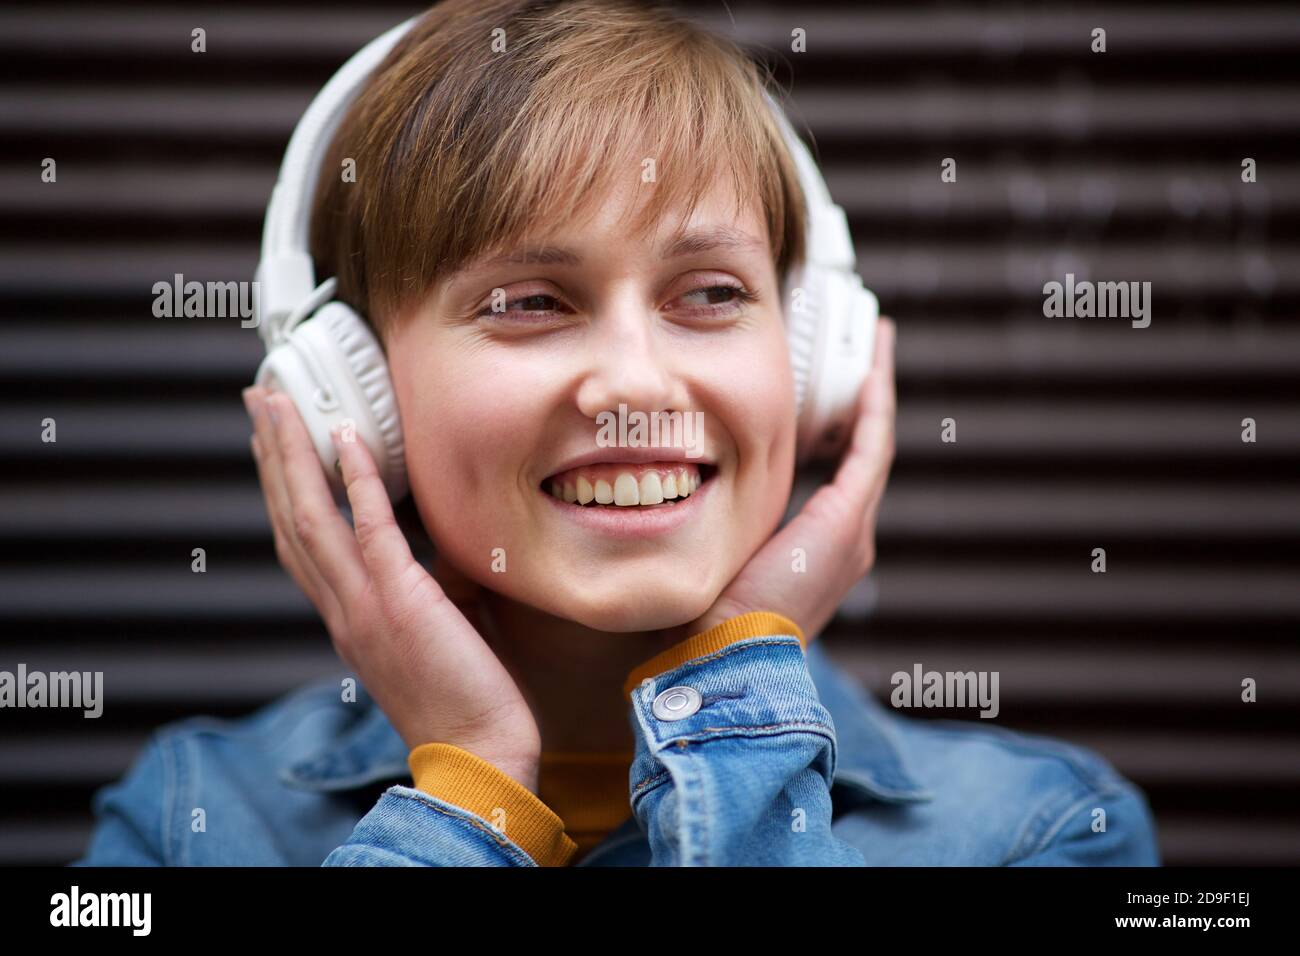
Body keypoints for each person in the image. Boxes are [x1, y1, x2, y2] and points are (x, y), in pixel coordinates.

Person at [73, 0, 1160, 867]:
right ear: (353, 392)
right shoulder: (190, 820)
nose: (634, 384)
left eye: (711, 292)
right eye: (530, 301)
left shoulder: (1044, 830)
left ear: (812, 354)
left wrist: (739, 713)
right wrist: (473, 791)